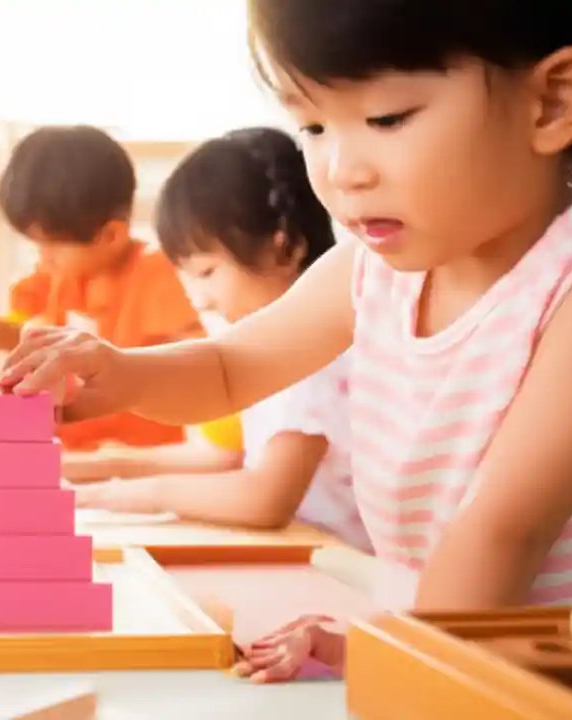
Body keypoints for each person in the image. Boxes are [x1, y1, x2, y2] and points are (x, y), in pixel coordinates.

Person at [0, 0, 572, 682]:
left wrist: (402, 667)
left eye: (386, 120)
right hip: (468, 651)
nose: (340, 170)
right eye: (313, 126)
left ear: (551, 103)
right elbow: (231, 368)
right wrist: (119, 373)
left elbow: (500, 534)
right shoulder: (370, 265)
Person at [74, 127, 368, 552]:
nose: (199, 298)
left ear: (283, 248)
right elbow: (222, 457)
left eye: (207, 272)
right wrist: (101, 468)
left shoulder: (314, 354)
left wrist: (137, 494)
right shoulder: (267, 343)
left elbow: (265, 498)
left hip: (343, 566)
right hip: (306, 550)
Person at [0, 125, 204, 452]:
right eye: (35, 246)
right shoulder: (55, 278)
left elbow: (199, 363)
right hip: (70, 446)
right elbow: (33, 339)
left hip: (136, 452)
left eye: (52, 248)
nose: (43, 259)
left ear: (111, 236)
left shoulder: (156, 275)